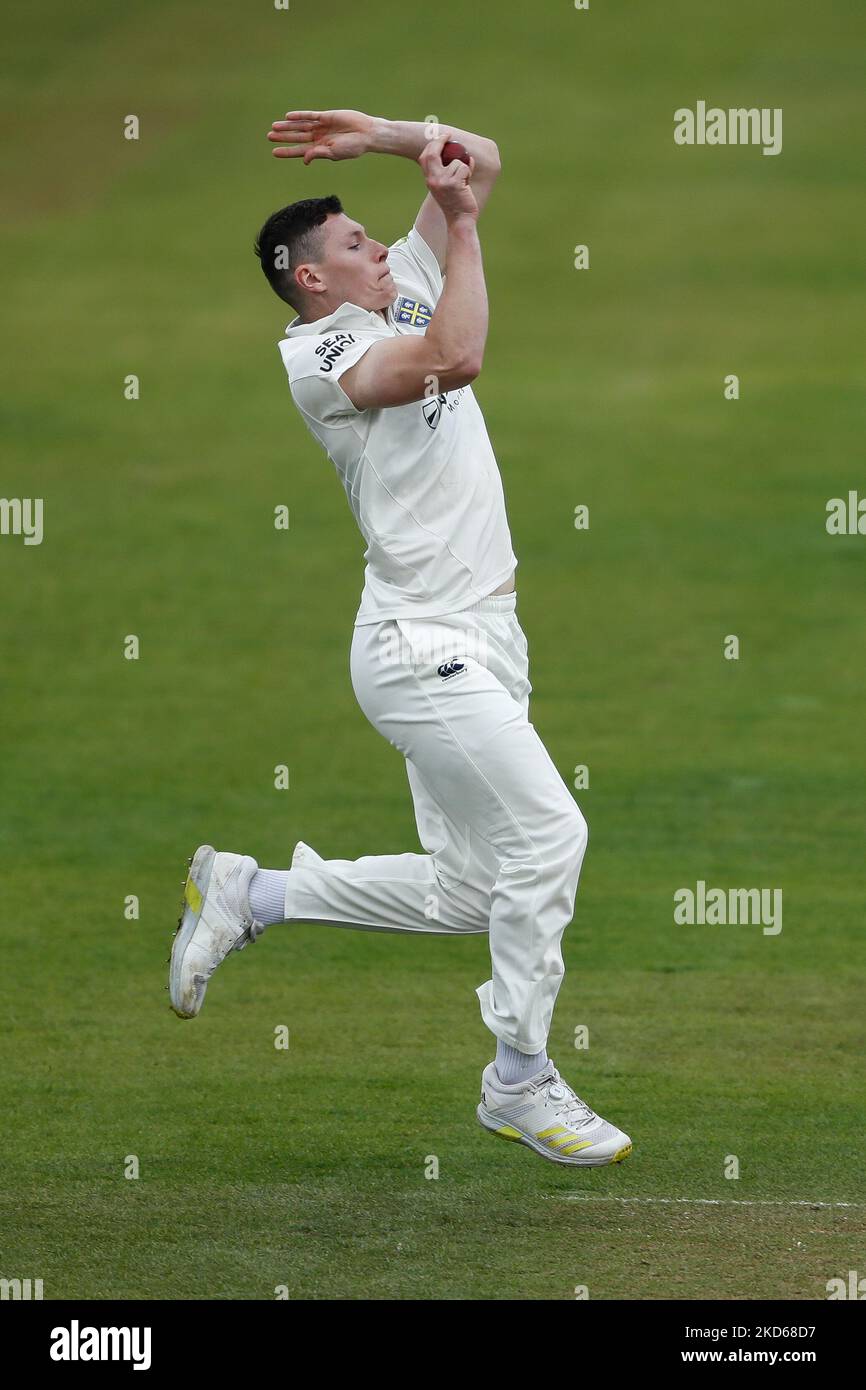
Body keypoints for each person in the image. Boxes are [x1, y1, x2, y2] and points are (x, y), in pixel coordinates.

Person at [168, 109, 631, 1168]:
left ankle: (253, 891)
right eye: (353, 247)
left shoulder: (400, 280)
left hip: (487, 638)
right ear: (312, 281)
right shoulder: (327, 351)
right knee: (551, 836)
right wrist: (460, 231)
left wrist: (385, 134)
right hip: (420, 646)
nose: (379, 248)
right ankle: (518, 1077)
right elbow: (455, 358)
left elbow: (487, 157)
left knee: (471, 888)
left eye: (379, 237)